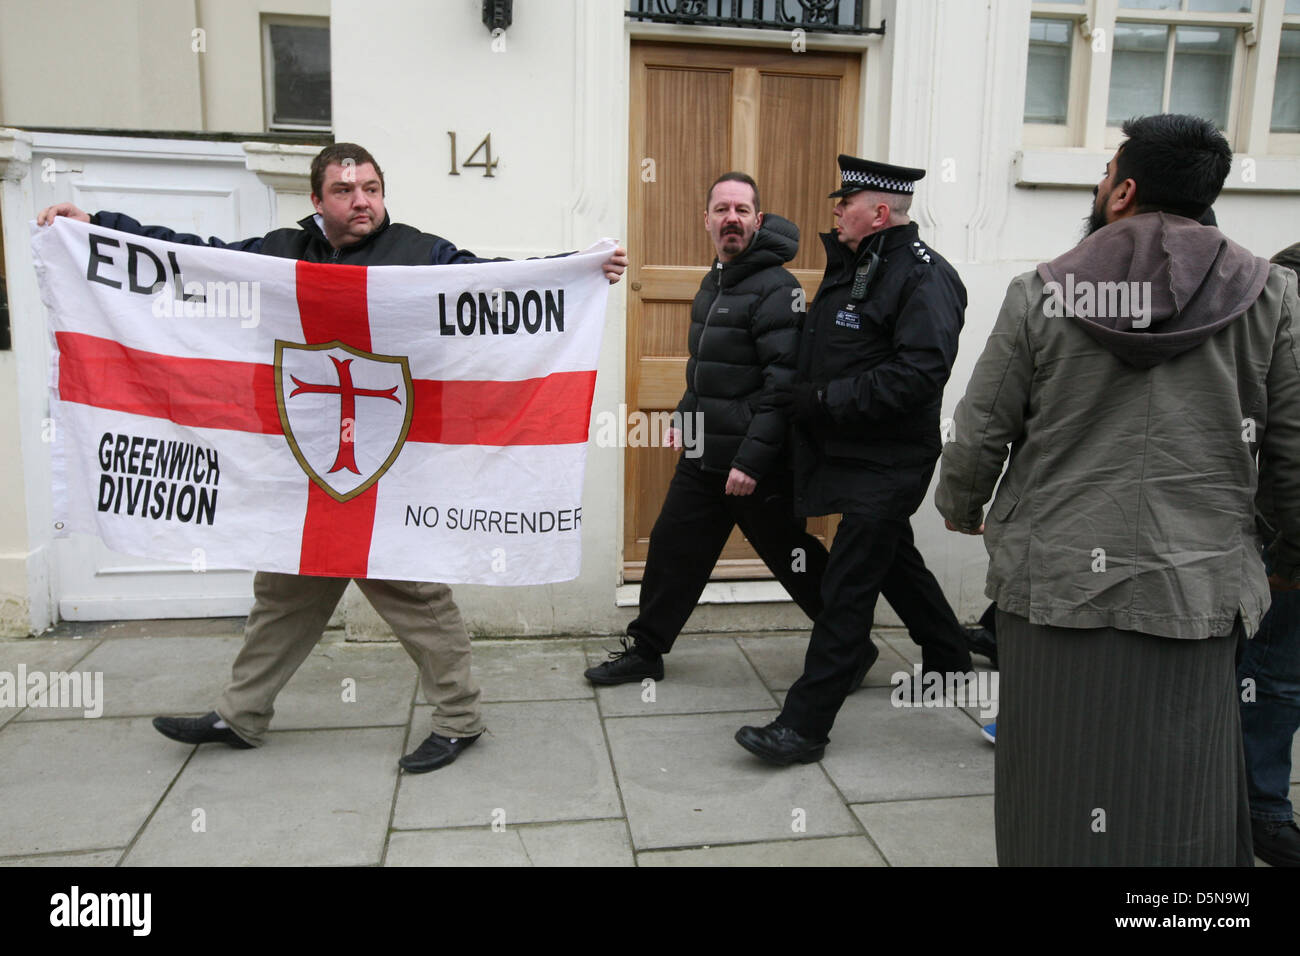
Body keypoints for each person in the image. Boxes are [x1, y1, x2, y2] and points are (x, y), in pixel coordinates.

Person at [38, 142, 628, 774]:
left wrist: (576, 269)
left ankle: (460, 719)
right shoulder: (280, 254)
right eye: (345, 191)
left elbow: (494, 283)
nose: (362, 200)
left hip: (393, 474)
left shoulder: (418, 253)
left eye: (371, 187)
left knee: (416, 599)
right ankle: (241, 715)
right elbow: (190, 260)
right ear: (317, 201)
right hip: (306, 472)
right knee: (282, 598)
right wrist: (98, 229)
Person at [935, 114, 1300, 865]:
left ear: (1124, 191)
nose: (1101, 184)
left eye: (1105, 172)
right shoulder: (1275, 299)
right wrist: (1286, 552)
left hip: (1056, 582)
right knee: (1178, 783)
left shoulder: (1040, 291)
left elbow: (981, 428)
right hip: (1193, 588)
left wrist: (962, 507)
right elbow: (1292, 456)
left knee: (1053, 784)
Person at [734, 155, 973, 766]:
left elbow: (920, 372)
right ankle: (949, 656)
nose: (837, 211)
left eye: (848, 202)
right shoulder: (857, 266)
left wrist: (821, 400)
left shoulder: (924, 277)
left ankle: (804, 725)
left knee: (847, 587)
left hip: (889, 460)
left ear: (880, 212)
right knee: (892, 557)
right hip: (847, 451)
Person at [583, 172, 827, 686]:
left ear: (758, 221)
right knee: (673, 550)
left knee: (795, 561)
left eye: (741, 210)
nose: (731, 219)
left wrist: (751, 461)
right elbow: (704, 369)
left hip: (752, 468)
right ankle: (646, 649)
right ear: (707, 220)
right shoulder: (715, 280)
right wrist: (683, 417)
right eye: (721, 209)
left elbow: (781, 388)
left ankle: (847, 643)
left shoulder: (778, 289)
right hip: (704, 455)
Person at [1239, 240, 1300, 867]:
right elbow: (1286, 436)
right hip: (1278, 529)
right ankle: (1259, 807)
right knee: (1271, 677)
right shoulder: (1284, 281)